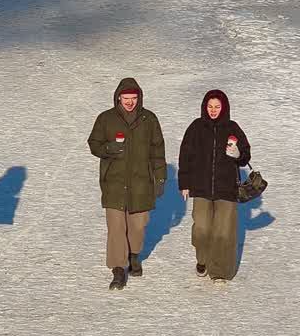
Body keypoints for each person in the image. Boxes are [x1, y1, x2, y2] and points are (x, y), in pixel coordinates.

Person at [88, 78, 166, 291]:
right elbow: (94, 144)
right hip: (114, 182)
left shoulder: (149, 119)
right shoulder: (106, 119)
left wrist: (160, 178)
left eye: (133, 98)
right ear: (118, 97)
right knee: (116, 228)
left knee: (138, 226)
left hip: (141, 184)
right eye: (126, 98)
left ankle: (134, 255)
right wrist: (110, 149)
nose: (130, 102)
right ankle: (118, 269)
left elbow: (157, 151)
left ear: (139, 98)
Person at [178, 90, 251, 283]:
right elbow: (185, 156)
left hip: (227, 189)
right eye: (210, 106)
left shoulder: (233, 127)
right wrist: (184, 183)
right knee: (201, 229)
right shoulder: (196, 127)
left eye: (217, 107)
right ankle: (202, 260)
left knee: (223, 232)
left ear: (224, 108)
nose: (213, 110)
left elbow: (245, 155)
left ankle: (219, 271)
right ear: (204, 107)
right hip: (201, 188)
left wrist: (237, 154)